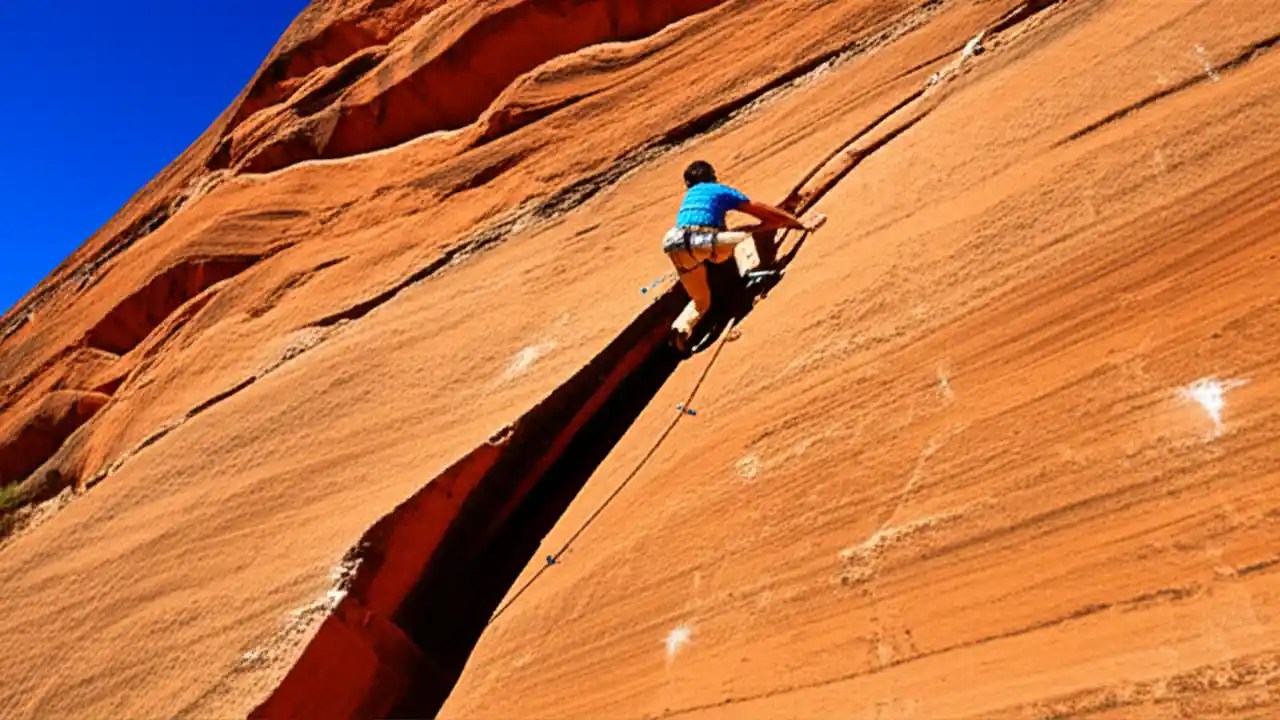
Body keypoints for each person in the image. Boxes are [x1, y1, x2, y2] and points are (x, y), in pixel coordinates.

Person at [663, 160, 825, 351]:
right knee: (743, 237)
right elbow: (759, 209)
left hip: (674, 244)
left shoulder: (690, 198)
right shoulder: (718, 190)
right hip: (701, 241)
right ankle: (753, 274)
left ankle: (681, 329)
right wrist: (796, 223)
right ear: (712, 176)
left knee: (701, 300)